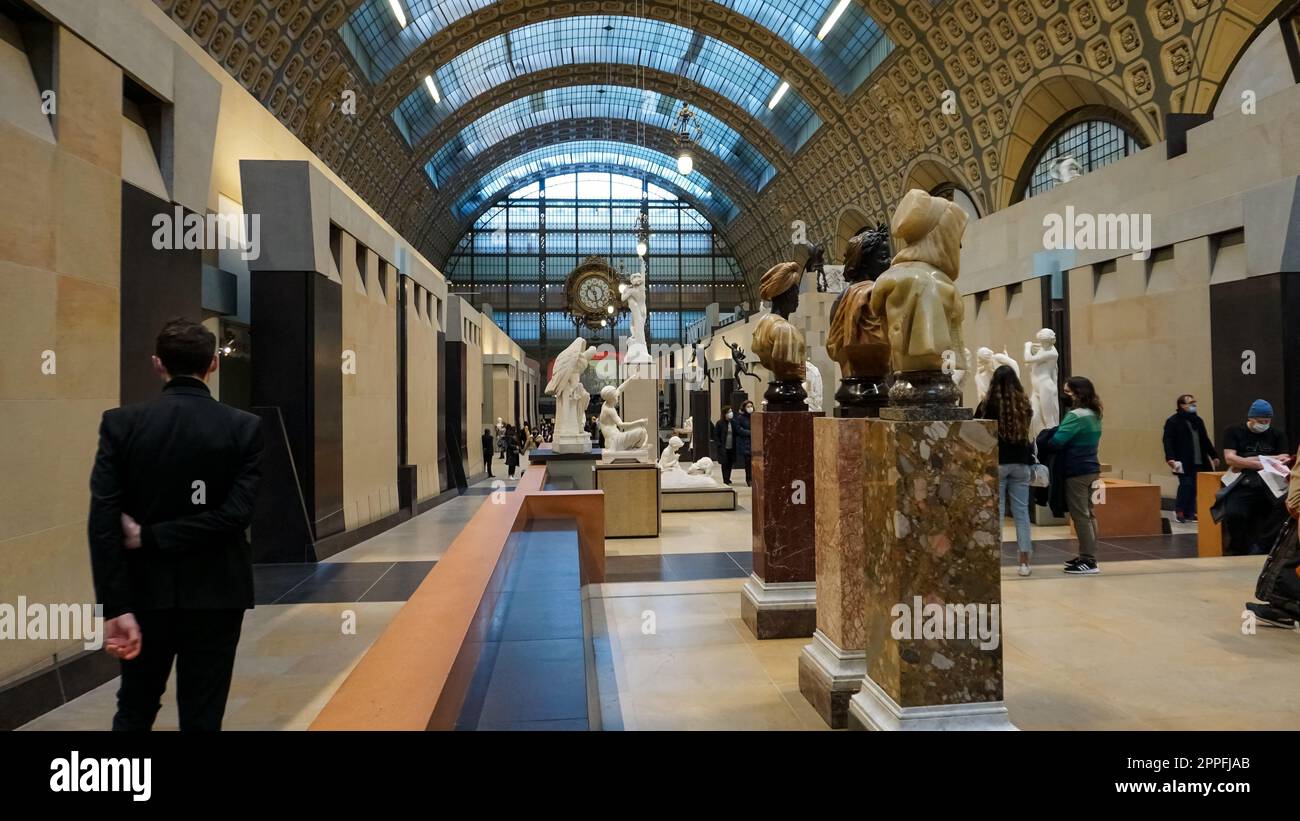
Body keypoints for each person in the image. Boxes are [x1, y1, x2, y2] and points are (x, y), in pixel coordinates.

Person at [88, 318, 263, 731]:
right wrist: (158, 536)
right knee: (203, 714)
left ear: (157, 364)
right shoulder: (244, 428)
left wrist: (116, 605)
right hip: (218, 595)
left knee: (134, 708)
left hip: (144, 595)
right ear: (213, 365)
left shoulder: (121, 425)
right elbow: (236, 515)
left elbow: (103, 522)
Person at [1038, 376, 1103, 575]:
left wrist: (1047, 437)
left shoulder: (1076, 415)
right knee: (1089, 513)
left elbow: (1057, 441)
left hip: (1076, 470)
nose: (1065, 395)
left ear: (1078, 392)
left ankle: (1088, 560)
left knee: (1080, 516)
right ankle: (1087, 555)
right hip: (1092, 468)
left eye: (1067, 392)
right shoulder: (1094, 414)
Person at [976, 366, 1036, 576]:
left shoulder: (987, 405)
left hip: (998, 463)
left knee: (997, 514)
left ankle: (995, 561)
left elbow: (978, 431)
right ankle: (1024, 563)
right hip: (1021, 462)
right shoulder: (1024, 404)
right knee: (1021, 514)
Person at [1219, 399, 1291, 555]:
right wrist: (1263, 461)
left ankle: (1265, 546)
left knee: (1281, 509)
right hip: (1243, 480)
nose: (1264, 424)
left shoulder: (1277, 434)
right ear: (1250, 418)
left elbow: (1284, 458)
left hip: (1270, 481)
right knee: (1234, 512)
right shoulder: (1233, 431)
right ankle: (1237, 548)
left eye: (1267, 421)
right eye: (1260, 421)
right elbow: (1230, 459)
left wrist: (1247, 459)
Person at [1162, 393, 1218, 523]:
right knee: (1186, 485)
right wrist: (1170, 458)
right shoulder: (1173, 421)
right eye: (1190, 402)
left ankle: (1190, 512)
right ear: (1182, 405)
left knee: (1195, 487)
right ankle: (1179, 510)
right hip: (1183, 460)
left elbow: (1205, 440)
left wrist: (1214, 455)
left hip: (1199, 460)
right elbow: (1167, 441)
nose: (1194, 404)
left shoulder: (1198, 421)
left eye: (1194, 402)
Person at [732, 400, 754, 486]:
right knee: (748, 463)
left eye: (751, 406)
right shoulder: (740, 418)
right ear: (744, 408)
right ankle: (749, 480)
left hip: (755, 443)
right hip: (745, 443)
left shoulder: (755, 416)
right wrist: (750, 433)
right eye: (748, 406)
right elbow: (739, 430)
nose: (750, 408)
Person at [713, 405, 736, 485]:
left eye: (731, 411)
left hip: (732, 447)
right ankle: (725, 479)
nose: (731, 413)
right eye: (729, 412)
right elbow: (716, 435)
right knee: (724, 463)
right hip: (723, 447)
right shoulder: (720, 423)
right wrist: (719, 444)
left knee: (730, 463)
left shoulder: (733, 422)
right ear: (725, 414)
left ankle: (728, 478)